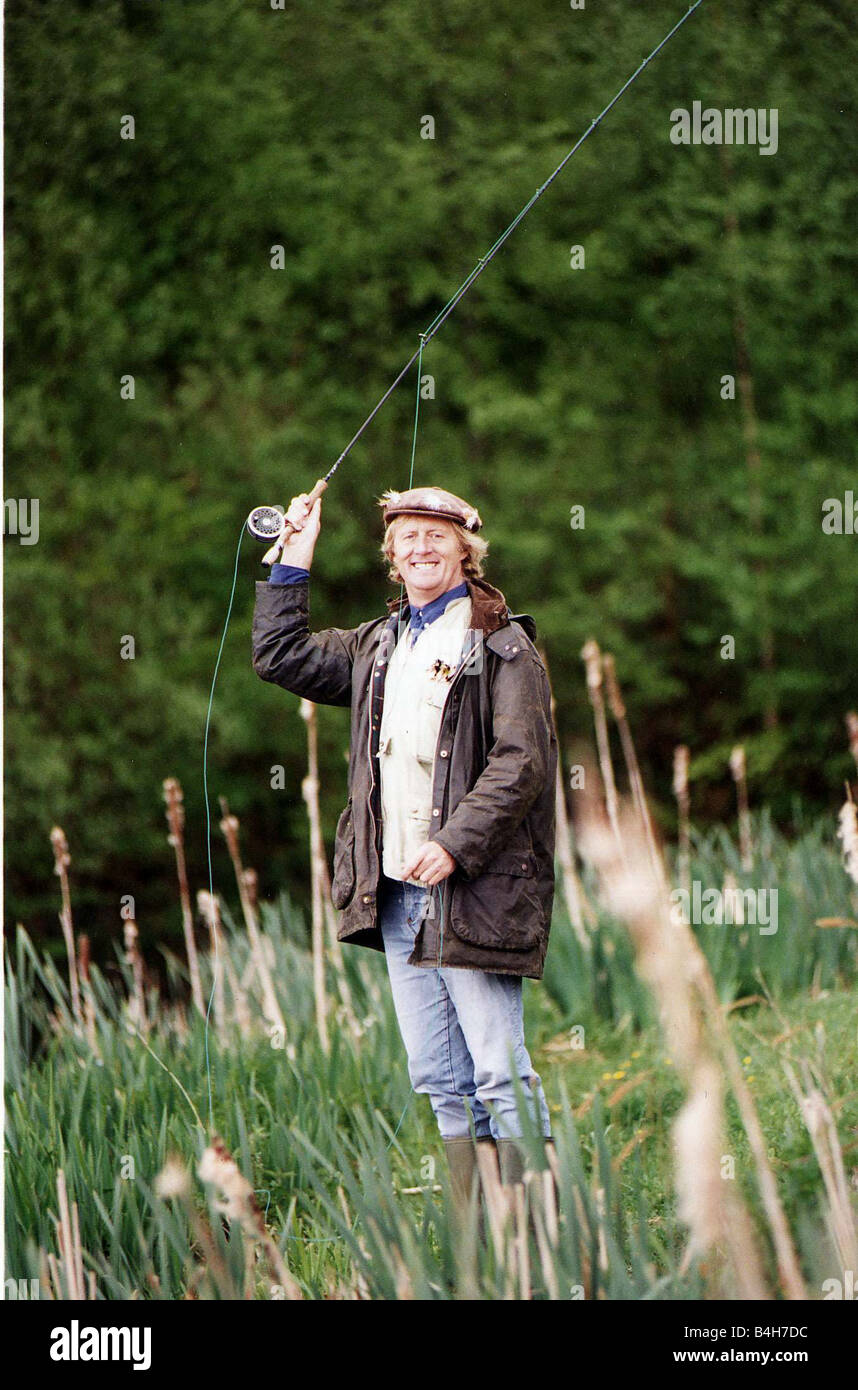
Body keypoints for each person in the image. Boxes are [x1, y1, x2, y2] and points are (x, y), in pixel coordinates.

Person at [252, 484, 558, 1209]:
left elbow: (522, 764)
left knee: (497, 1069)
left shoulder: (504, 646)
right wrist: (296, 553)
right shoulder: (376, 645)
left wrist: (453, 845)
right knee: (440, 1076)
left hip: (475, 886)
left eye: (436, 535)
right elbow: (280, 655)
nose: (420, 547)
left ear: (466, 550)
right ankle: (483, 1233)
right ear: (391, 556)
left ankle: (545, 1229)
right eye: (406, 537)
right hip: (393, 891)